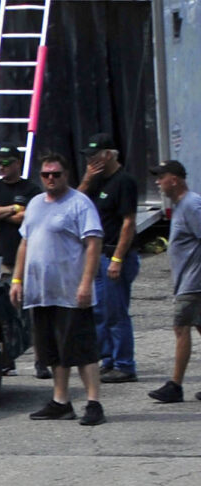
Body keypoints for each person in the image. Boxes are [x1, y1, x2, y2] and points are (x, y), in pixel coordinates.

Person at [13, 151, 106, 424]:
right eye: (46, 174)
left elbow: (93, 244)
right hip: (41, 291)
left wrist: (86, 283)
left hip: (71, 291)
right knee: (51, 349)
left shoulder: (80, 203)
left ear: (67, 175)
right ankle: (60, 401)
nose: (51, 179)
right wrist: (17, 280)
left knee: (82, 348)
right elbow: (25, 243)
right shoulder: (35, 204)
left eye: (56, 174)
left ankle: (93, 403)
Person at [82, 135, 141, 382]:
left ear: (108, 155)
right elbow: (74, 201)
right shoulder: (96, 182)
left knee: (116, 312)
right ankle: (107, 359)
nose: (90, 160)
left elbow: (128, 222)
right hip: (96, 254)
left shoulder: (123, 181)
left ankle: (125, 364)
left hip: (114, 254)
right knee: (100, 311)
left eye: (94, 155)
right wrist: (87, 178)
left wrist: (118, 258)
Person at [150, 160, 201, 403]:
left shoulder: (191, 204)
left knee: (181, 328)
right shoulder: (181, 206)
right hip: (188, 281)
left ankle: (175, 386)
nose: (158, 182)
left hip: (194, 283)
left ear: (176, 179)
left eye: (162, 177)